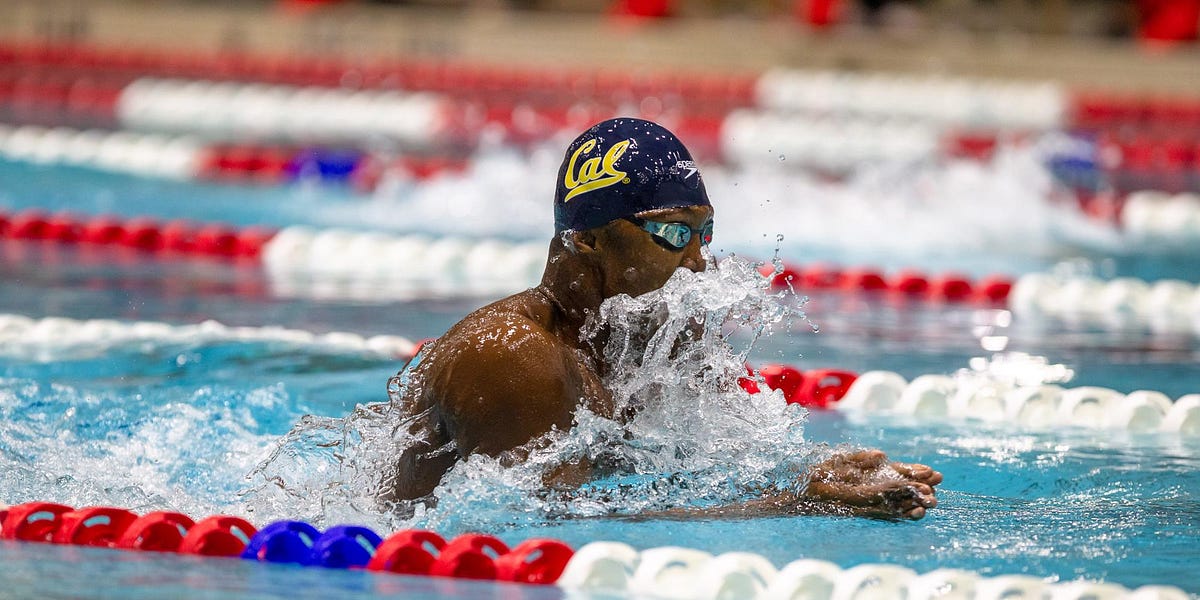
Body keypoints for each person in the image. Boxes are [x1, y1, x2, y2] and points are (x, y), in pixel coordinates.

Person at [385, 117, 941, 519]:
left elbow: (729, 462)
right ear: (589, 239)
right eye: (674, 234)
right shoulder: (512, 356)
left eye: (704, 233)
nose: (698, 261)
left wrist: (822, 474)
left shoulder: (652, 339)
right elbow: (561, 527)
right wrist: (798, 505)